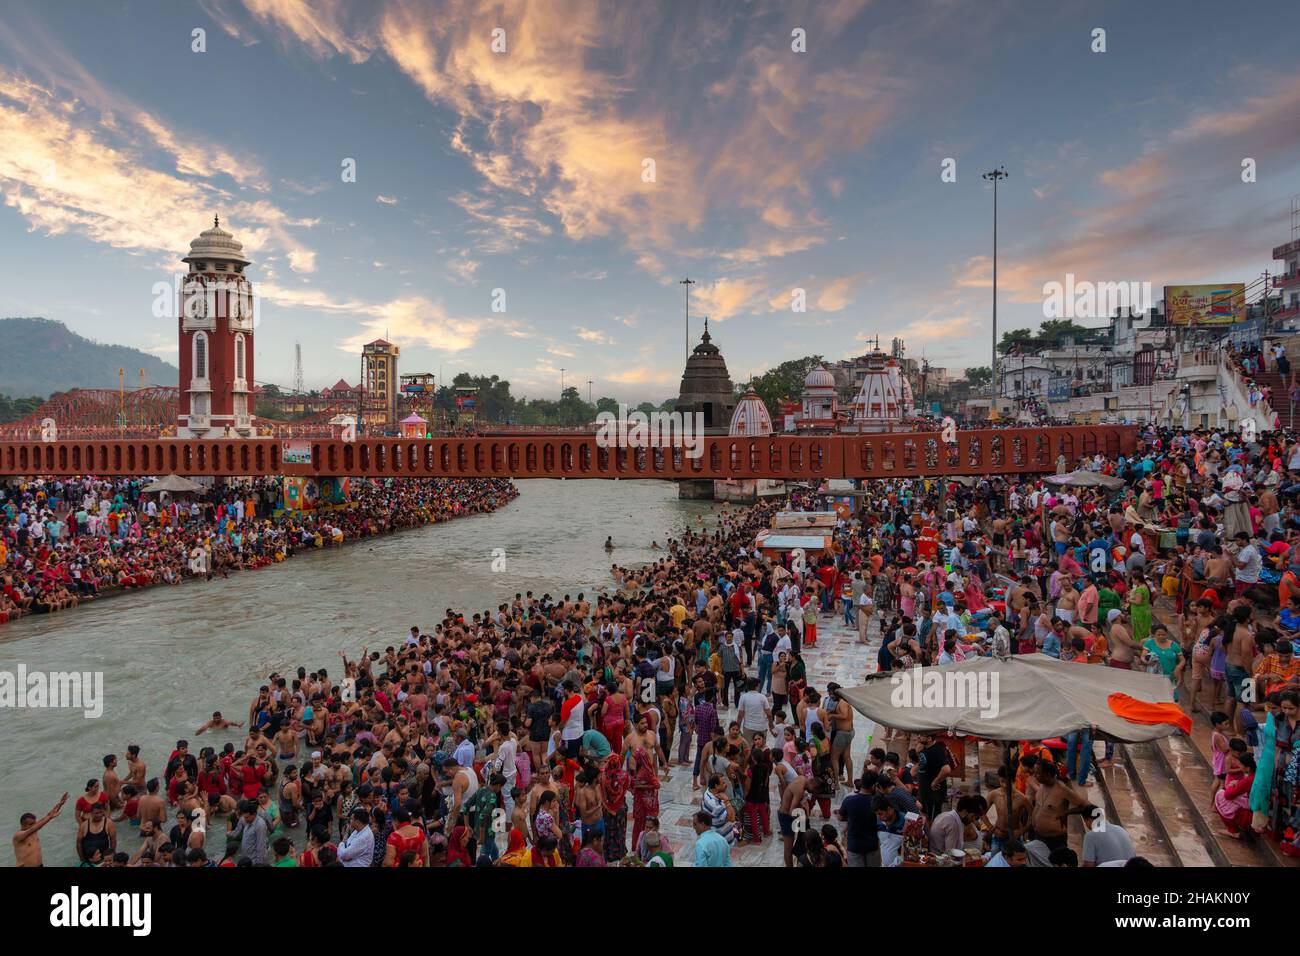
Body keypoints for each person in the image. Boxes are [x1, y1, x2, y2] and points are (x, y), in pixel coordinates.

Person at [12, 793, 68, 867]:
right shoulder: (18, 835)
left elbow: (47, 816)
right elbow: (34, 828)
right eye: (32, 823)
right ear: (24, 824)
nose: (35, 825)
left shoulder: (33, 830)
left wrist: (60, 804)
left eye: (34, 823)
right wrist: (50, 818)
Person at [836, 776, 880, 866]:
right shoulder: (876, 802)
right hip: (872, 845)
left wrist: (851, 817)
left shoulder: (849, 800)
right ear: (873, 786)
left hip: (854, 845)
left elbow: (840, 817)